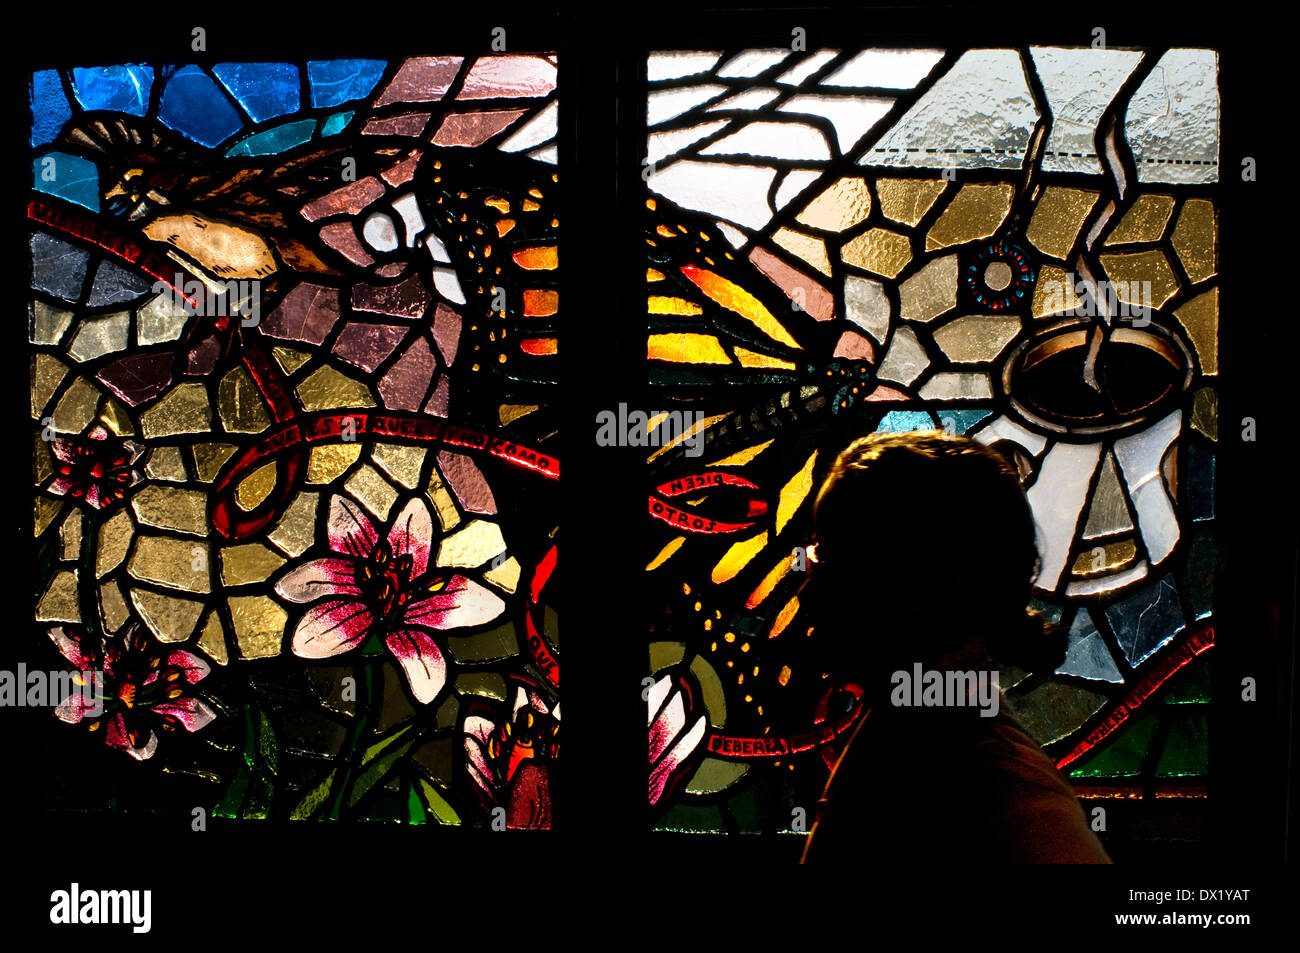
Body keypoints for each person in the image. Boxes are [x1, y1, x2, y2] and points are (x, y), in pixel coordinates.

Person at [798, 430, 1111, 863]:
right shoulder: (909, 729)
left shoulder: (1001, 789)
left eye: (831, 557)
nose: (806, 591)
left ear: (908, 587)